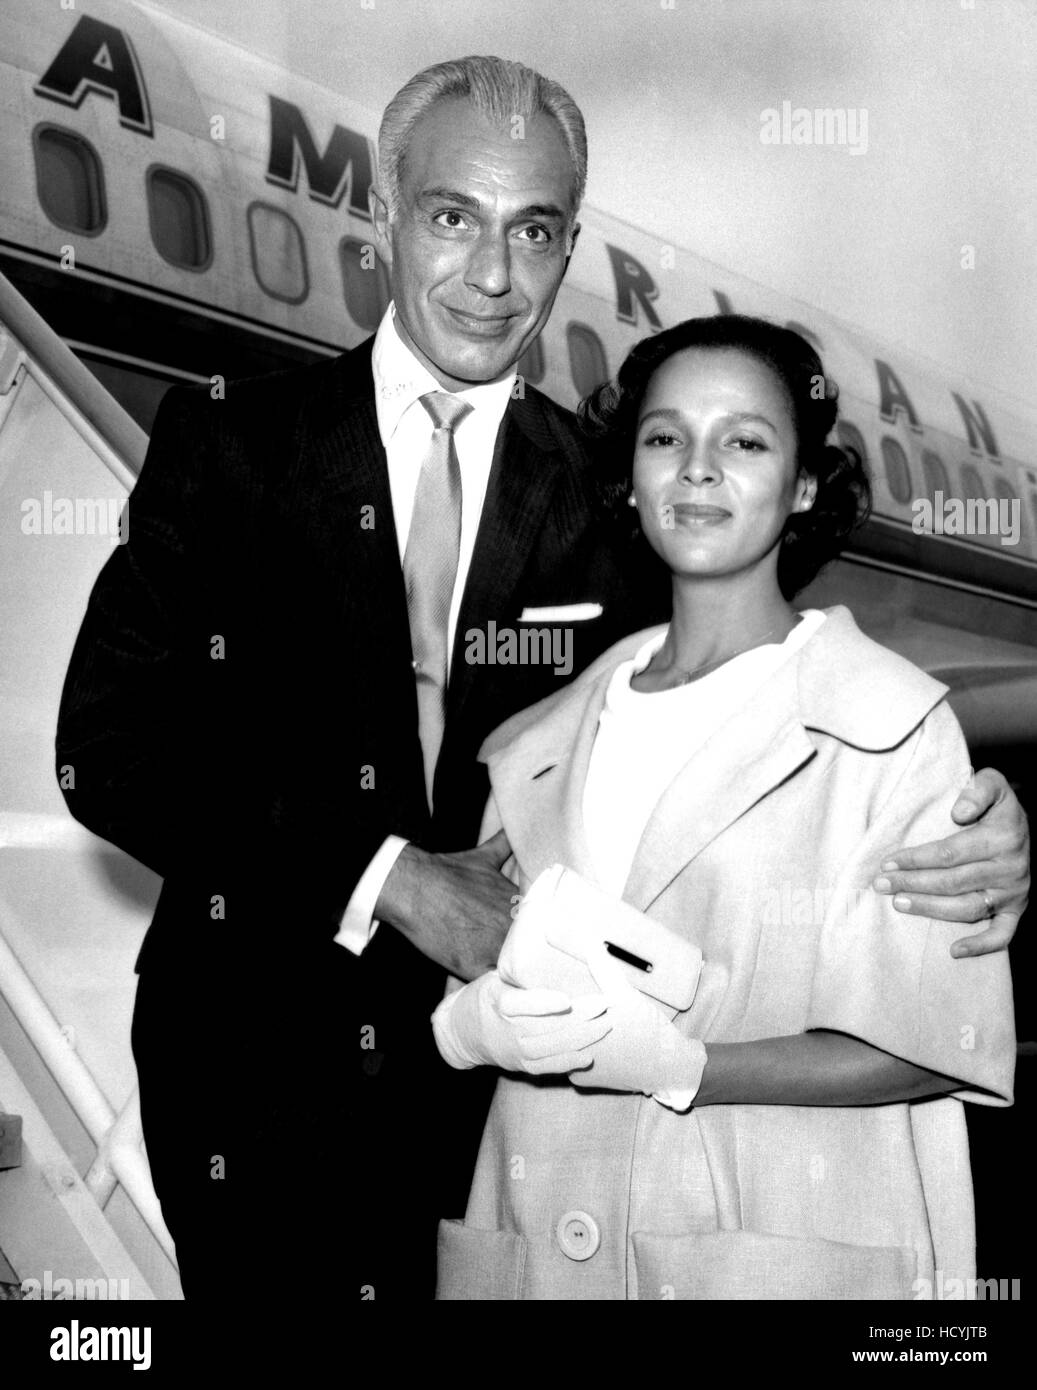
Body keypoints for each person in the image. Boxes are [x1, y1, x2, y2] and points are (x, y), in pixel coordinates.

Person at [55, 56, 1026, 1302]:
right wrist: (391, 875)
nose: (493, 276)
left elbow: (734, 691)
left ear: (566, 250)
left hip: (523, 1092)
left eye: (534, 231)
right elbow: (114, 746)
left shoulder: (613, 494)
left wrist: (975, 813)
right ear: (386, 217)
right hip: (254, 1066)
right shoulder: (228, 446)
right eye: (454, 218)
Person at [433, 316, 1016, 1301]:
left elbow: (927, 1042)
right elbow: (465, 938)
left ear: (798, 486)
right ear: (628, 474)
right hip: (534, 1252)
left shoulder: (890, 728)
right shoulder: (533, 740)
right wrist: (465, 1026)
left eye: (742, 441)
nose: (696, 469)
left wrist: (681, 1062)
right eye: (664, 438)